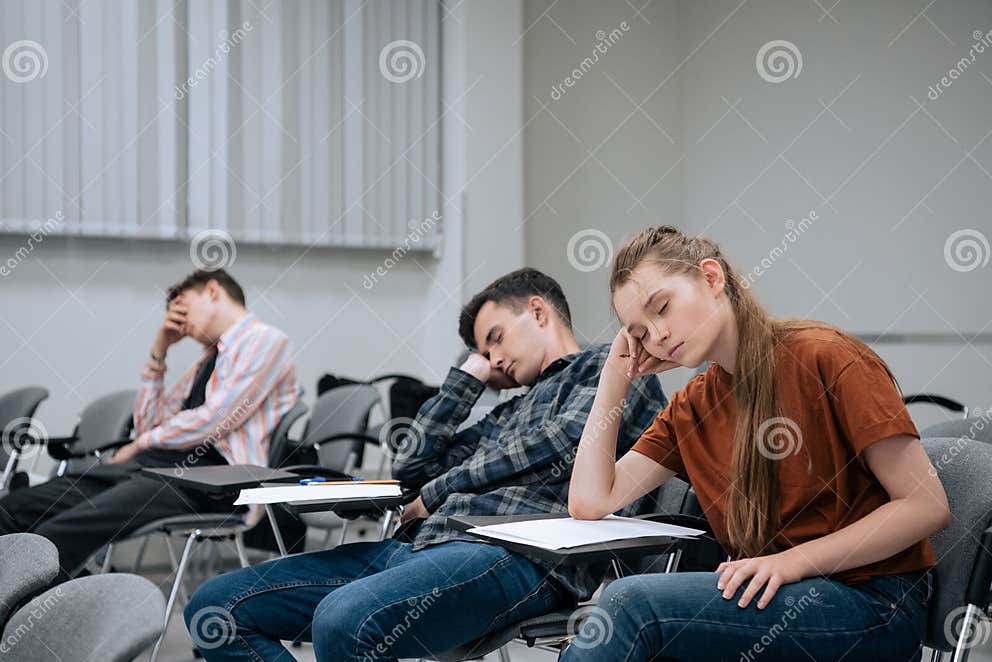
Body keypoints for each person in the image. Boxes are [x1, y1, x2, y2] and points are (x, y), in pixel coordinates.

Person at [184, 267, 668, 661]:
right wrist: (465, 380)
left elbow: (561, 444)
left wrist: (436, 494)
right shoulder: (510, 409)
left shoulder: (612, 368)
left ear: (538, 311)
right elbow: (410, 468)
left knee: (343, 620)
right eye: (483, 352)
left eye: (495, 339)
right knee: (216, 607)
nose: (493, 358)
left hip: (521, 553)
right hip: (421, 546)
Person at [563, 226, 949, 662]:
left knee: (632, 607)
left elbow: (925, 505)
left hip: (874, 603)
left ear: (711, 278)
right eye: (640, 332)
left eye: (663, 308)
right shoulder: (693, 405)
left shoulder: (828, 357)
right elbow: (591, 501)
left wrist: (792, 562)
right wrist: (615, 377)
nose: (658, 335)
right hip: (772, 597)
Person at [0, 269, 299, 581]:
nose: (178, 321)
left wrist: (139, 445)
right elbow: (149, 427)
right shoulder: (208, 359)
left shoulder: (265, 340)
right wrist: (160, 351)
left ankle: (37, 619)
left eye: (182, 308)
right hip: (152, 467)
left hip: (210, 480)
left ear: (213, 290)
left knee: (56, 533)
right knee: (14, 508)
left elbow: (214, 420)